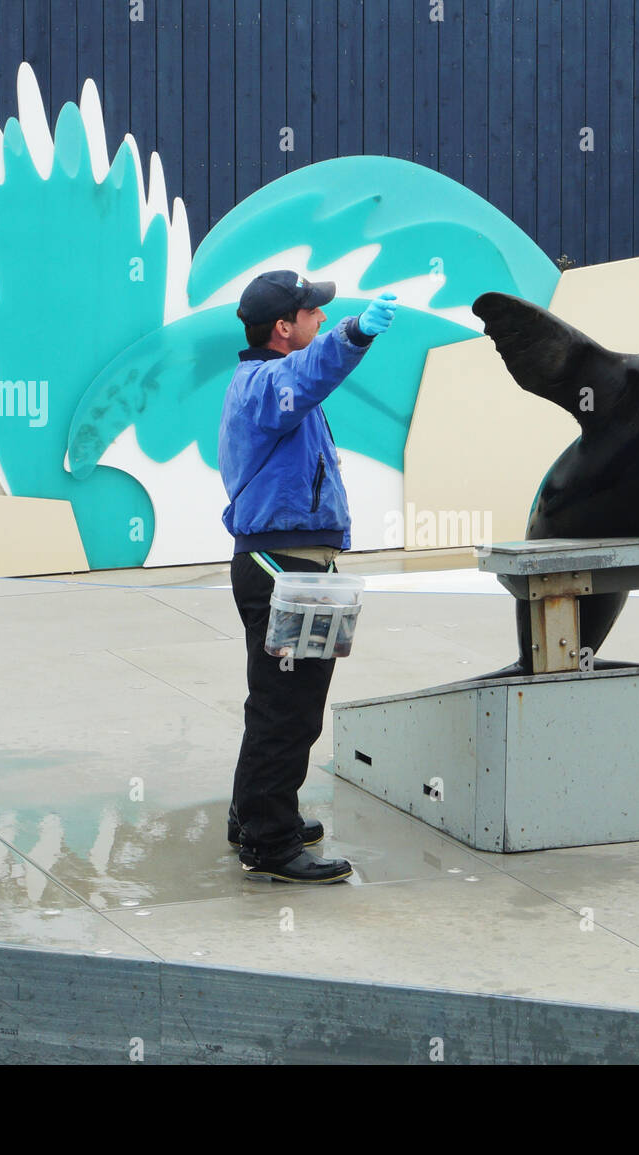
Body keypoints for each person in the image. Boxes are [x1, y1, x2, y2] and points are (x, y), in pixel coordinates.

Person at [220, 270, 398, 883]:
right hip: (281, 570)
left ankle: (256, 816)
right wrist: (354, 334)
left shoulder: (261, 385)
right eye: (312, 312)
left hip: (285, 566)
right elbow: (311, 373)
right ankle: (270, 844)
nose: (321, 317)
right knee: (288, 709)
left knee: (276, 701)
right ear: (282, 327)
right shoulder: (269, 384)